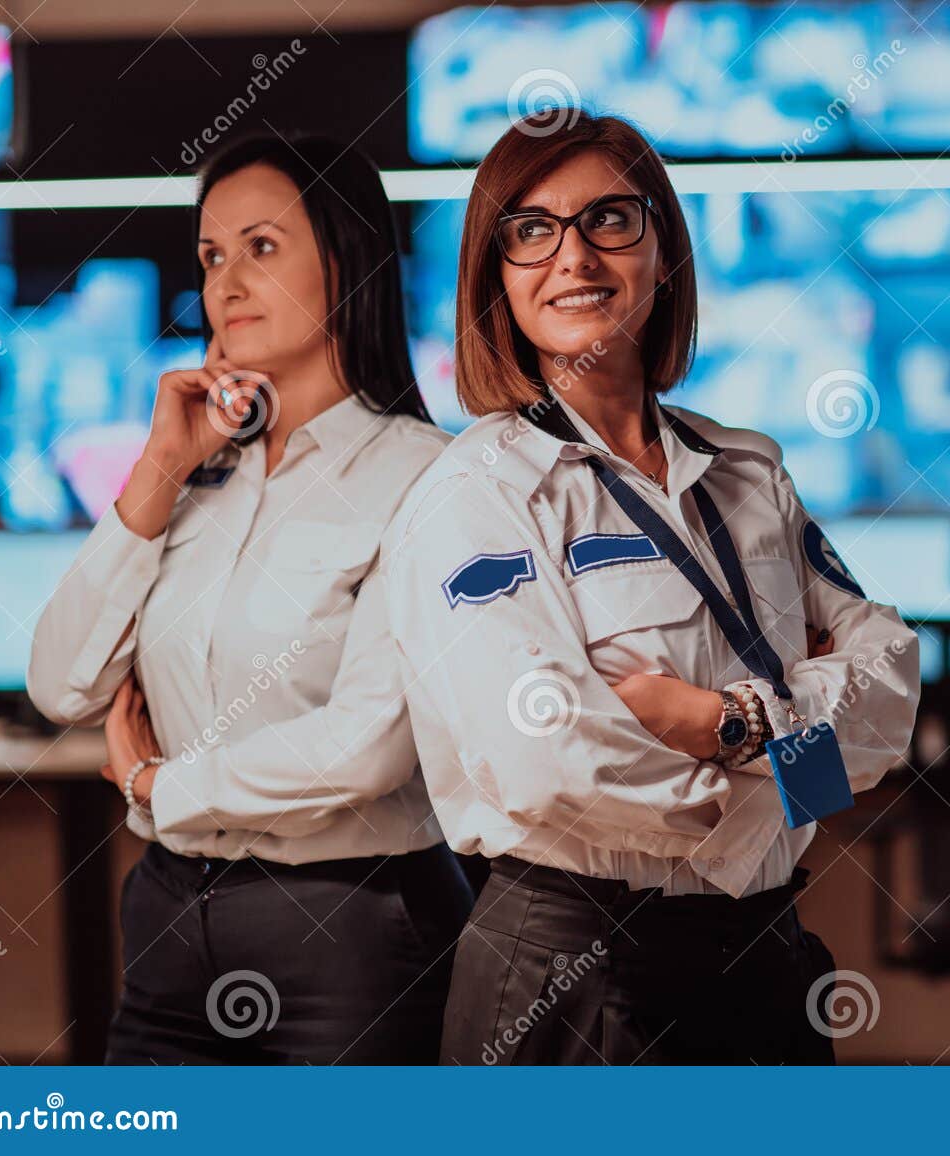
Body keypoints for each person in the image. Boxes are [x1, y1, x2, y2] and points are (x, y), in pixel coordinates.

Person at [382, 111, 919, 1065]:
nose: (574, 257)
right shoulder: (475, 499)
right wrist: (793, 766)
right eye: (531, 230)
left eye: (609, 221)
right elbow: (547, 765)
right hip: (575, 975)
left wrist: (725, 723)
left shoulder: (750, 475)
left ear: (662, 250)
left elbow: (891, 700)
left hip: (764, 959)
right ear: (494, 278)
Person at [27, 133, 471, 1064]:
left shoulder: (428, 479)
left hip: (350, 933)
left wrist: (158, 785)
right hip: (166, 914)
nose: (223, 282)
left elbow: (365, 746)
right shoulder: (191, 474)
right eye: (211, 255)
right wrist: (157, 469)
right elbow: (61, 685)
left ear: (348, 259)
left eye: (260, 248)